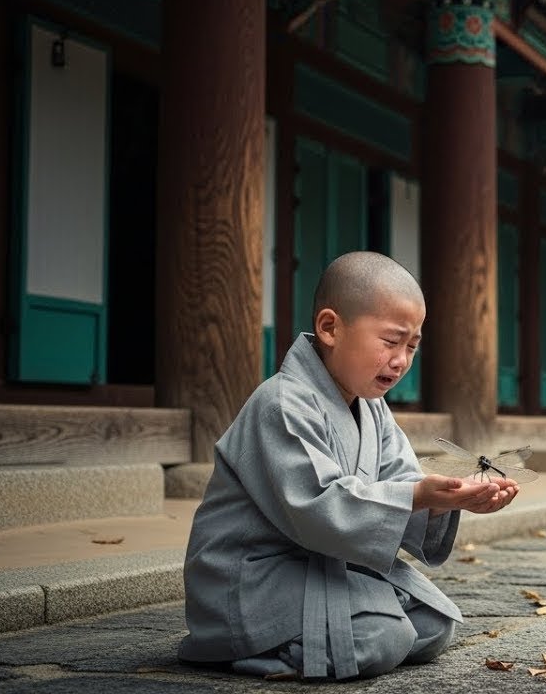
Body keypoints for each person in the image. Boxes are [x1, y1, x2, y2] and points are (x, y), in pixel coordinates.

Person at [178, 251, 519, 680]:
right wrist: (417, 495)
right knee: (384, 637)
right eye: (391, 342)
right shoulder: (281, 402)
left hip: (319, 565)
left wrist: (447, 500)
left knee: (434, 625)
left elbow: (403, 481)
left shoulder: (372, 409)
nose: (401, 361)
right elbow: (316, 507)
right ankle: (245, 651)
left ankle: (325, 634)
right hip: (255, 577)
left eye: (412, 347)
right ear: (330, 328)